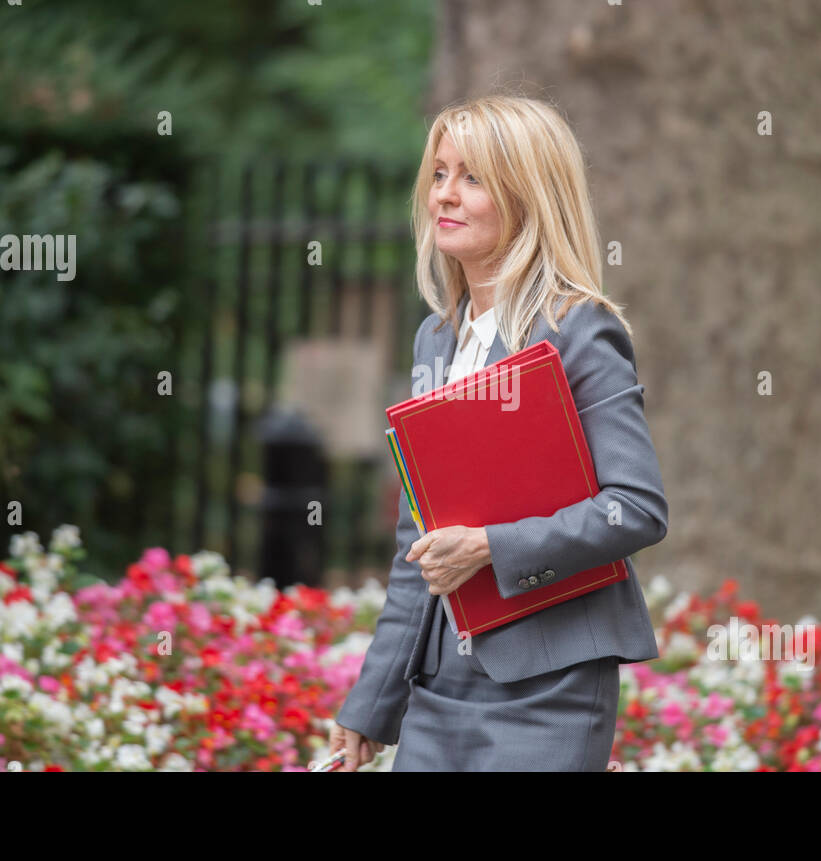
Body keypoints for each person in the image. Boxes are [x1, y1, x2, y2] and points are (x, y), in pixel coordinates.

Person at [329, 94, 668, 771]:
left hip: (552, 692)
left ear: (527, 195)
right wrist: (369, 707)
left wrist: (490, 546)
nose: (444, 196)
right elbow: (415, 549)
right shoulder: (436, 337)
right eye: (440, 174)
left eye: (473, 178)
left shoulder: (579, 330)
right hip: (436, 692)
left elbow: (636, 507)